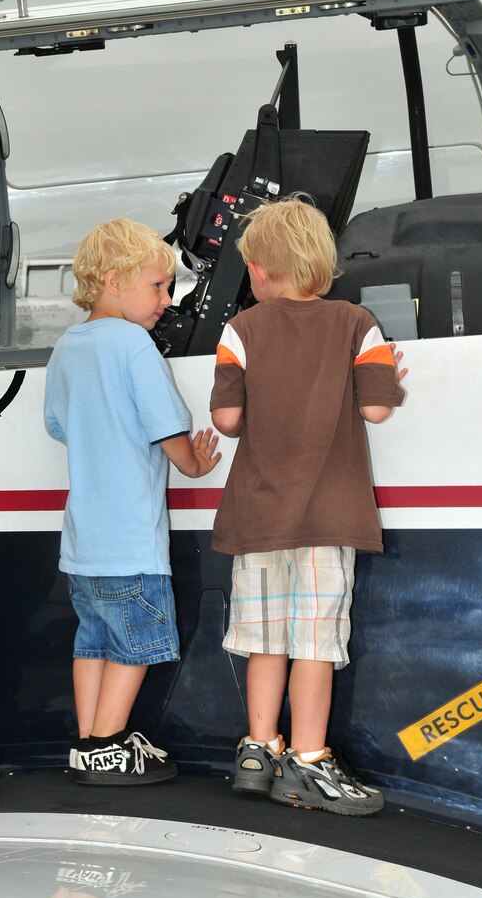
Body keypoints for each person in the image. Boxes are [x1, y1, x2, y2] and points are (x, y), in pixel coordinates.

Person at [210, 196, 405, 816]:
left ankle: (257, 751)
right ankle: (310, 760)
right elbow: (376, 408)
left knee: (264, 640)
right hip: (327, 517)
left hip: (259, 517)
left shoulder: (239, 330)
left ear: (259, 272)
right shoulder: (358, 323)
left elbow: (227, 420)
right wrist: (385, 379)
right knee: (316, 644)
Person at [44, 218, 221, 785]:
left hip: (83, 543)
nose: (167, 303)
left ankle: (87, 742)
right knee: (133, 646)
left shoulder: (68, 347)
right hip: (129, 543)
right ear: (115, 281)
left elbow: (56, 423)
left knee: (92, 639)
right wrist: (194, 463)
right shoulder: (133, 344)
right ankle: (112, 745)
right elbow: (165, 424)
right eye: (159, 287)